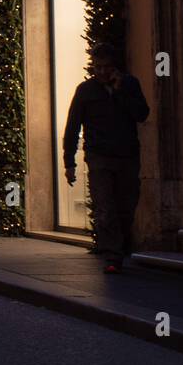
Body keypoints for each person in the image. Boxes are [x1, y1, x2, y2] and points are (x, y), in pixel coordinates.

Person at [63, 42, 150, 274]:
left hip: (127, 155)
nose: (101, 72)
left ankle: (120, 247)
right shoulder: (85, 90)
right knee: (105, 207)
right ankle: (113, 255)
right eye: (97, 67)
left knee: (127, 206)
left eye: (106, 67)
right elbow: (72, 126)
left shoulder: (130, 85)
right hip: (99, 156)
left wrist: (121, 91)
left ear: (115, 67)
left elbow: (142, 114)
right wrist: (69, 162)